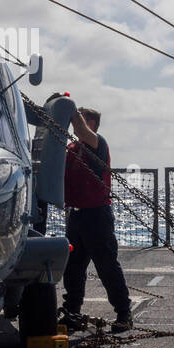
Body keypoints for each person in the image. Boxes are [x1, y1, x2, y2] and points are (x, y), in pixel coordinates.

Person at [60, 106, 133, 333]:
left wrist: (69, 108)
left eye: (80, 118)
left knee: (107, 266)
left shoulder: (97, 143)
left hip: (97, 215)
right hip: (76, 215)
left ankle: (123, 313)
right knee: (72, 268)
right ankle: (72, 312)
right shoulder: (72, 147)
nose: (75, 122)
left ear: (90, 123)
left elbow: (80, 129)